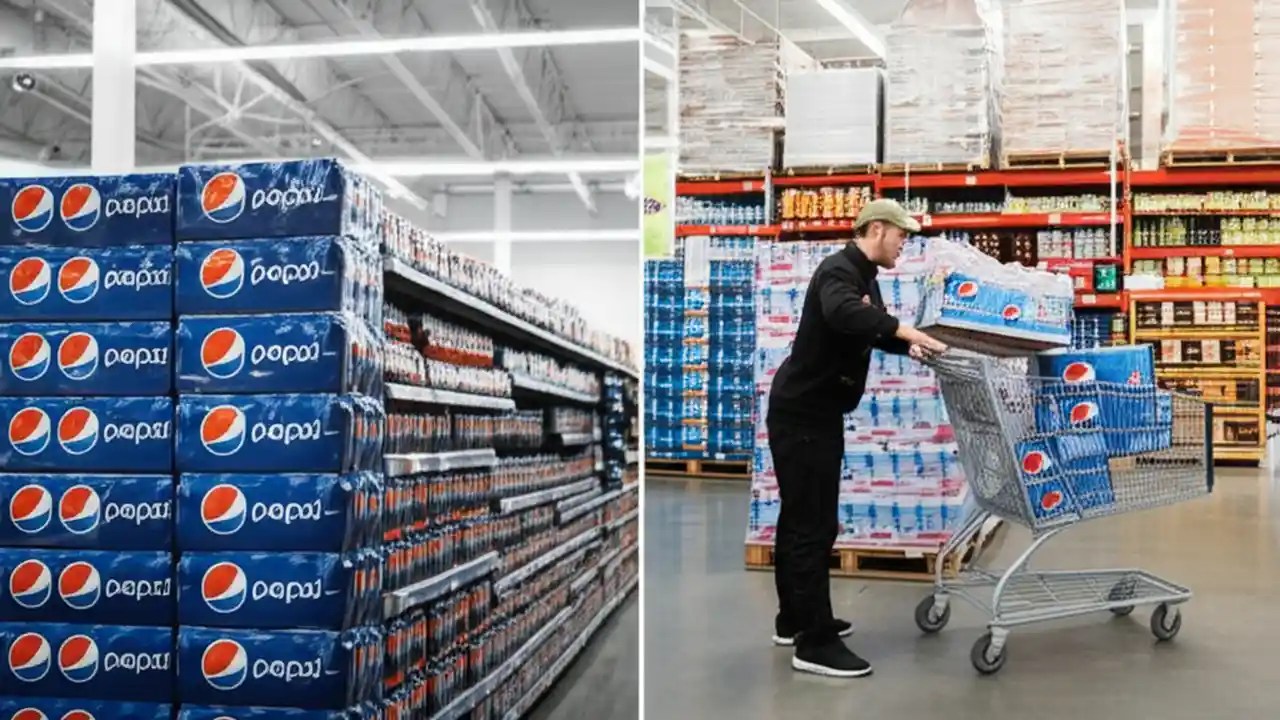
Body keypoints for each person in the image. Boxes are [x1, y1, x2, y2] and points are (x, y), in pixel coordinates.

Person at [766, 198, 948, 678]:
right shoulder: (838, 272)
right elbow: (844, 313)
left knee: (800, 518)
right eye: (901, 233)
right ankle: (814, 643)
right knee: (813, 524)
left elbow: (869, 329)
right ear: (877, 229)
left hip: (812, 410)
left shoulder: (865, 276)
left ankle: (793, 619)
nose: (905, 242)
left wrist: (910, 345)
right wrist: (904, 327)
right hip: (804, 414)